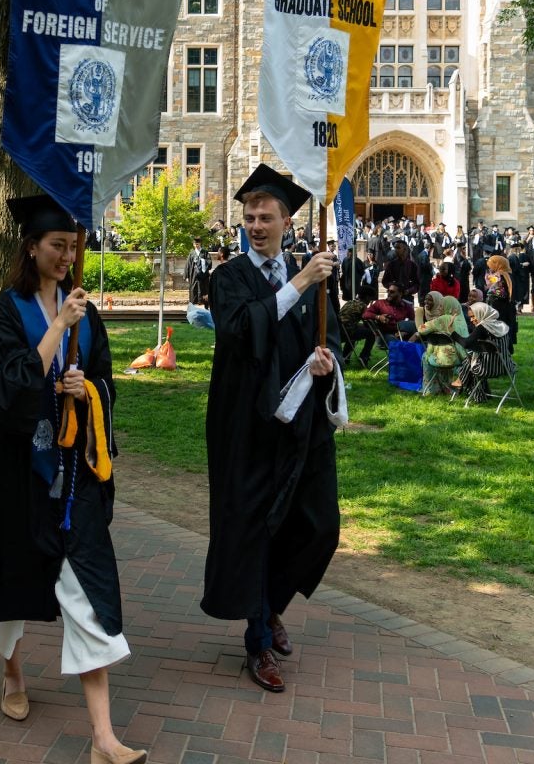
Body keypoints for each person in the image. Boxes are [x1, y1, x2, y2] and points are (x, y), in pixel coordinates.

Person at [0, 194, 145, 764]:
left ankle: (103, 738)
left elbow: (104, 384)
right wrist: (56, 330)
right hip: (20, 471)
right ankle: (14, 675)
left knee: (89, 592)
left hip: (74, 479)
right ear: (31, 247)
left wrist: (85, 391)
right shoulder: (5, 311)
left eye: (72, 247)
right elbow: (4, 390)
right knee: (13, 580)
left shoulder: (87, 314)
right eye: (56, 246)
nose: (67, 256)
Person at [202, 165, 341, 696]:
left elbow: (331, 341)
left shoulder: (315, 281)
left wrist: (327, 363)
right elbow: (241, 331)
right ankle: (258, 637)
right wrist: (302, 281)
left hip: (301, 423)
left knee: (319, 524)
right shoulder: (230, 277)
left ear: (288, 219)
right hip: (246, 425)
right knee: (256, 530)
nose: (255, 225)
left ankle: (273, 605)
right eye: (248, 217)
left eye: (265, 216)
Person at [458, 302, 513, 403]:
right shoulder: (502, 325)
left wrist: (452, 334)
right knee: (471, 356)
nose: (471, 319)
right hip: (506, 366)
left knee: (469, 361)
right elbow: (511, 349)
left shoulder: (482, 327)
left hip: (485, 369)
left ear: (481, 313)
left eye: (473, 316)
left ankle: (468, 388)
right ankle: (468, 386)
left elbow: (466, 343)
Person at [417, 291, 468, 395]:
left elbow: (421, 330)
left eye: (441, 306)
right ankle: (446, 387)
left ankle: (430, 389)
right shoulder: (461, 319)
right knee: (441, 353)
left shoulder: (444, 319)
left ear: (448, 307)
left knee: (425, 357)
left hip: (447, 359)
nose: (439, 309)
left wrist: (428, 324)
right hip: (462, 359)